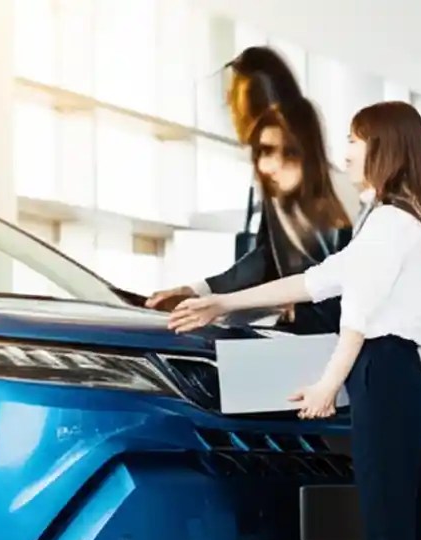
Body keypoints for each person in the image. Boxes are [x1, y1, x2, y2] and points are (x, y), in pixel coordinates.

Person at [168, 100, 421, 540]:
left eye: (353, 139)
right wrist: (221, 302)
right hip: (400, 377)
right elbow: (315, 281)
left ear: (383, 148)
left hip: (382, 372)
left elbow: (358, 317)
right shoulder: (401, 220)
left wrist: (328, 385)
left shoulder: (390, 224)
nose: (345, 151)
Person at [147, 46, 357, 335]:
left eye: (237, 99)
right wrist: (199, 292)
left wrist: (294, 309)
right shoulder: (278, 186)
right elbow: (266, 258)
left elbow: (348, 281)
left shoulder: (341, 192)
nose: (231, 108)